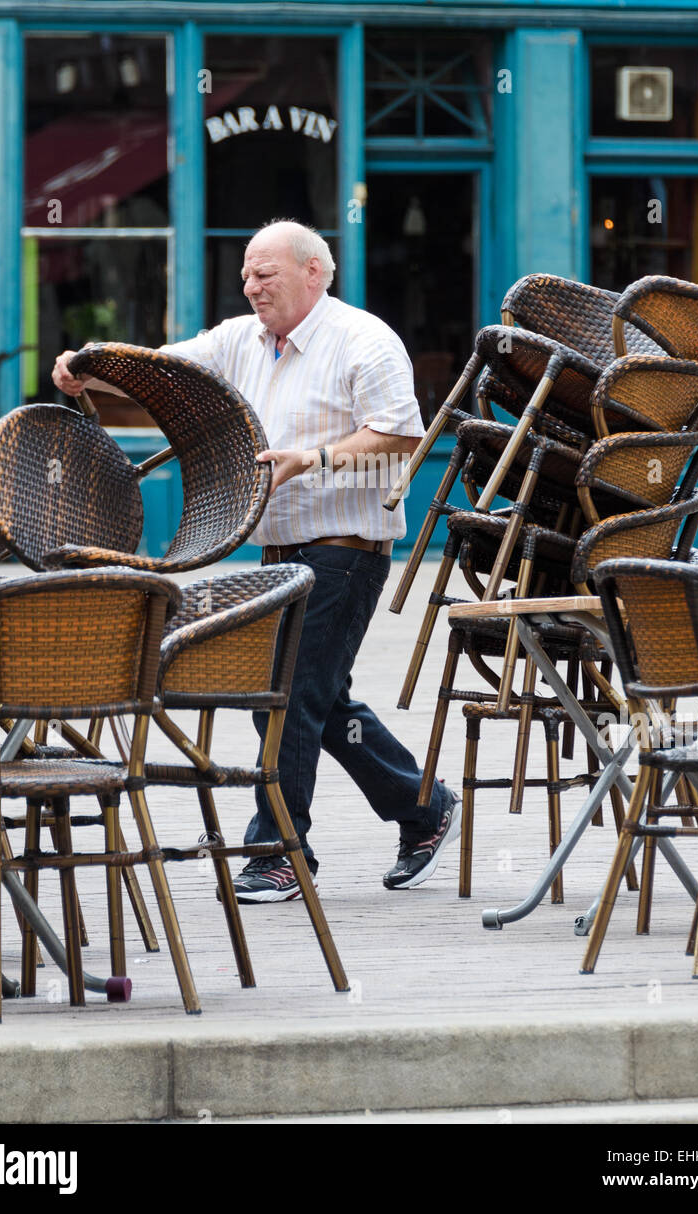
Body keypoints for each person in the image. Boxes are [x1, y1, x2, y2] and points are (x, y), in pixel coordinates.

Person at [52, 219, 460, 900]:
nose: (250, 284)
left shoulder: (364, 339)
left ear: (314, 273)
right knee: (316, 700)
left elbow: (400, 439)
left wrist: (312, 460)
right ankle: (423, 807)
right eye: (245, 272)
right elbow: (157, 379)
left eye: (264, 272)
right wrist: (93, 369)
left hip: (345, 549)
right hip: (276, 550)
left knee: (287, 697)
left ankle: (276, 852)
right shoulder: (235, 339)